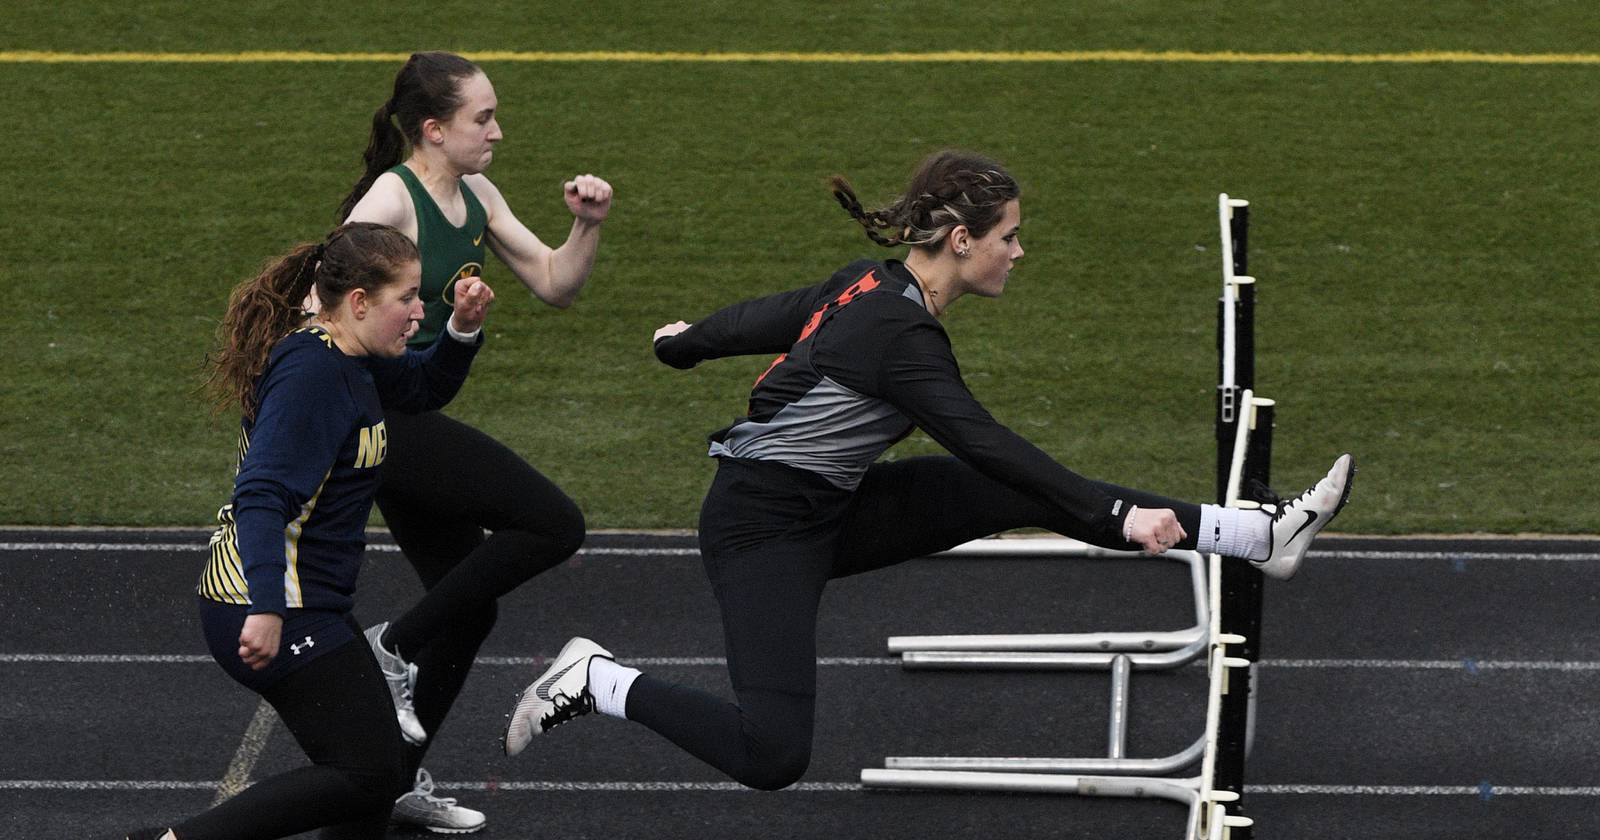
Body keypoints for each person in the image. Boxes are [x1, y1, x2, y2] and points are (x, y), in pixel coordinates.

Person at [501, 150, 1354, 790]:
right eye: (1009, 237)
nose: (1020, 252)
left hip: (828, 504)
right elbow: (983, 438)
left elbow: (776, 315)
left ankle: (1258, 533)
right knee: (773, 754)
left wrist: (683, 346)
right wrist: (1121, 519)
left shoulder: (870, 284)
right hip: (761, 532)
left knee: (1006, 490)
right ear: (961, 239)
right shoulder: (904, 340)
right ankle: (597, 679)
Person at [125, 221, 496, 840]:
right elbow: (260, 496)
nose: (417, 313)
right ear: (358, 301)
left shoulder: (359, 360)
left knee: (372, 771)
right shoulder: (311, 375)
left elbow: (422, 390)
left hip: (307, 604)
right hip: (264, 604)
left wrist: (463, 328)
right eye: (409, 300)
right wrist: (265, 604)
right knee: (368, 768)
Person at [337, 50, 612, 834]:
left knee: (472, 609)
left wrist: (585, 225)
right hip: (381, 421)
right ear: (433, 129)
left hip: (415, 408)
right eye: (482, 118)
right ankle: (392, 641)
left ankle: (388, 781)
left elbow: (557, 283)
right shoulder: (391, 199)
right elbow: (319, 311)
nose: (497, 130)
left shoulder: (478, 194)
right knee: (555, 523)